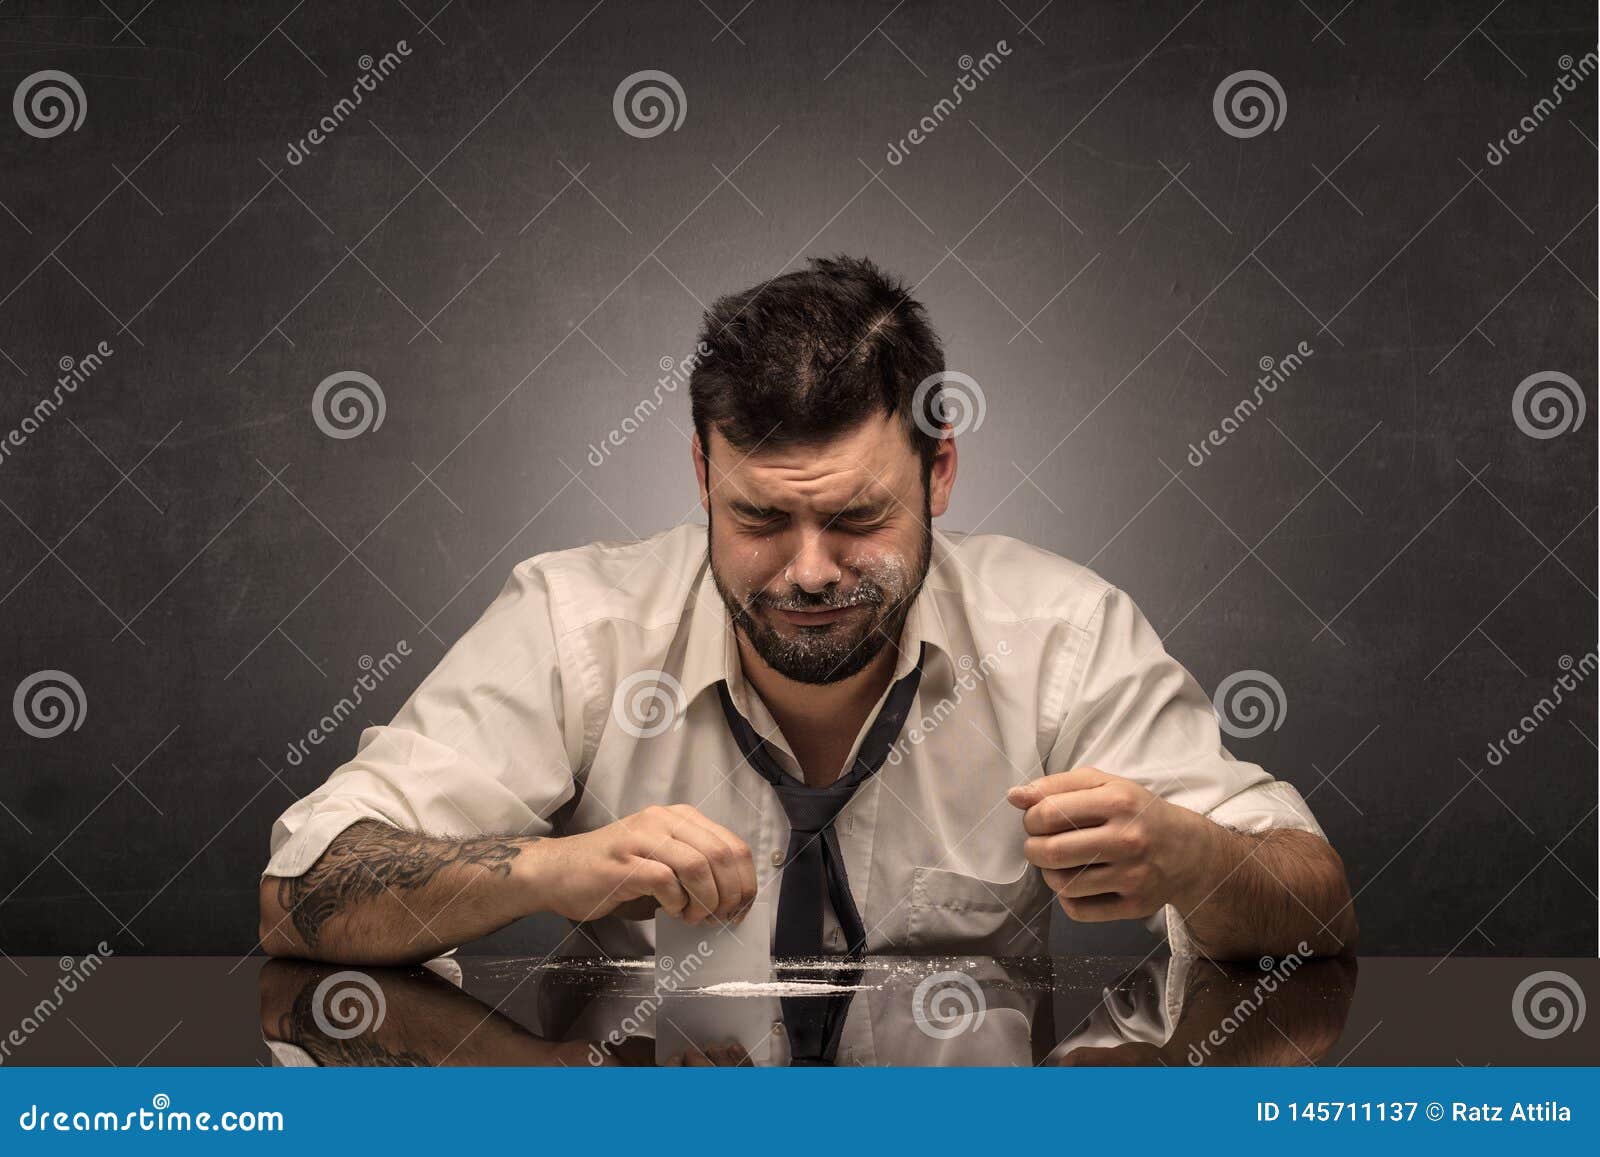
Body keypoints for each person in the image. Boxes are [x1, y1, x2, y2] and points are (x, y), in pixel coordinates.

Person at [258, 255, 1357, 966]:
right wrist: (552, 868)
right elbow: (301, 893)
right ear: (700, 475)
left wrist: (1193, 857)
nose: (812, 569)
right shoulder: (574, 622)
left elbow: (1320, 910)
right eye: (760, 520)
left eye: (857, 516)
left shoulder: (1061, 634)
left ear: (939, 476)